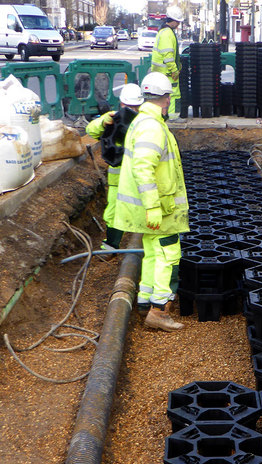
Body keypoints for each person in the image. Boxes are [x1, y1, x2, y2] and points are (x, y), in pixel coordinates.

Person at [114, 72, 189, 331]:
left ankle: (145, 304)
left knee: (153, 254)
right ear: (166, 98)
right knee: (168, 255)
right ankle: (159, 310)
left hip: (154, 209)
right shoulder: (152, 126)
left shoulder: (143, 121)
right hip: (161, 210)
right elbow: (143, 168)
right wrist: (153, 206)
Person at [84, 83, 145, 252]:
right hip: (118, 178)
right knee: (114, 212)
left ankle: (143, 240)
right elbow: (91, 131)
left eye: (135, 106)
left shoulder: (145, 122)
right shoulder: (113, 119)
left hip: (139, 176)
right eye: (129, 106)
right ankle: (111, 245)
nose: (132, 110)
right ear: (122, 103)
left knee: (143, 208)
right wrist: (103, 122)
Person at [151, 6, 184, 120]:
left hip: (161, 72)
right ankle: (173, 117)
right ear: (173, 21)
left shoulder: (163, 32)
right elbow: (168, 56)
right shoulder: (167, 34)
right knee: (174, 94)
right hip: (167, 72)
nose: (178, 24)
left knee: (161, 95)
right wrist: (174, 70)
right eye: (178, 22)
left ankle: (163, 116)